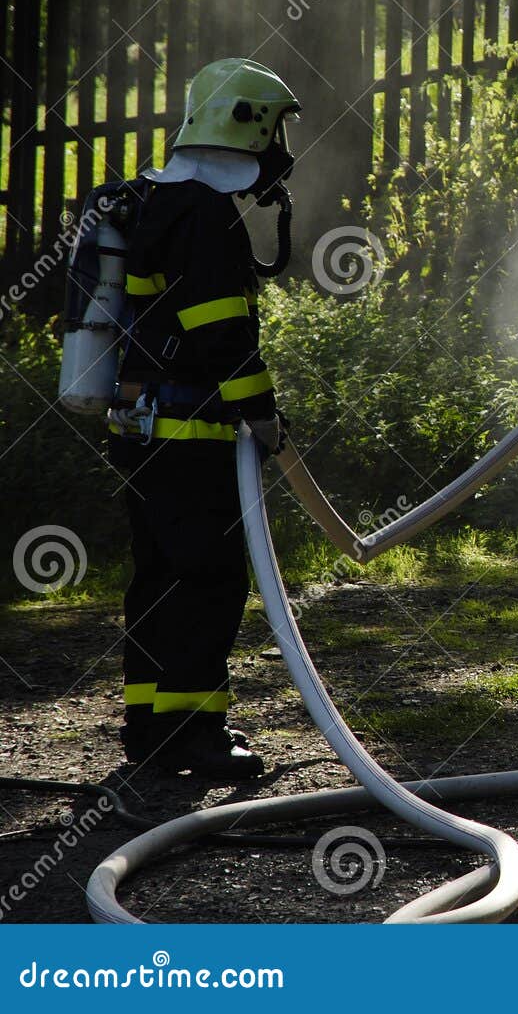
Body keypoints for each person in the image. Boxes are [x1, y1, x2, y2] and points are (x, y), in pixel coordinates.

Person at [109, 58, 298, 778]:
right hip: (190, 435)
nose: (282, 148)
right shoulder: (204, 215)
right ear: (244, 125)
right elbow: (221, 333)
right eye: (275, 128)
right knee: (209, 577)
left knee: (159, 573)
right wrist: (262, 413)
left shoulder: (161, 200)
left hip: (143, 429)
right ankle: (197, 735)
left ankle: (151, 729)